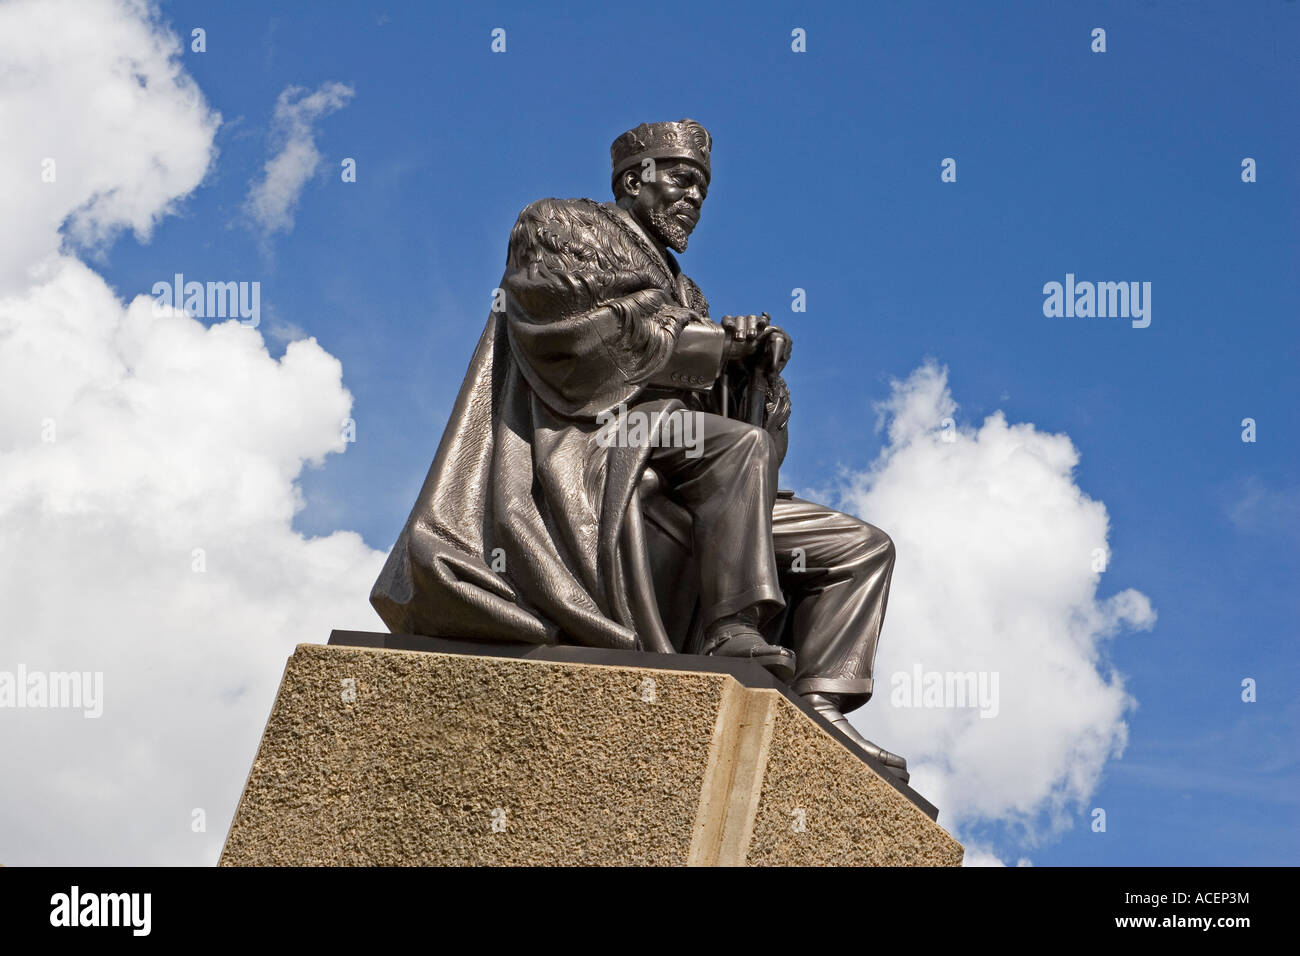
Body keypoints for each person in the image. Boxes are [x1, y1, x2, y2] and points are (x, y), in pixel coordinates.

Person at [372, 119, 907, 779]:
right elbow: (585, 337)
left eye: (703, 191)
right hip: (586, 444)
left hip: (680, 463)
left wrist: (753, 371)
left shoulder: (689, 294)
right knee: (737, 451)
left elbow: (740, 430)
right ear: (635, 178)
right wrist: (714, 346)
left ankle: (823, 702)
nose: (694, 201)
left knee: (857, 549)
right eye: (682, 180)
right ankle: (730, 630)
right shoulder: (560, 226)